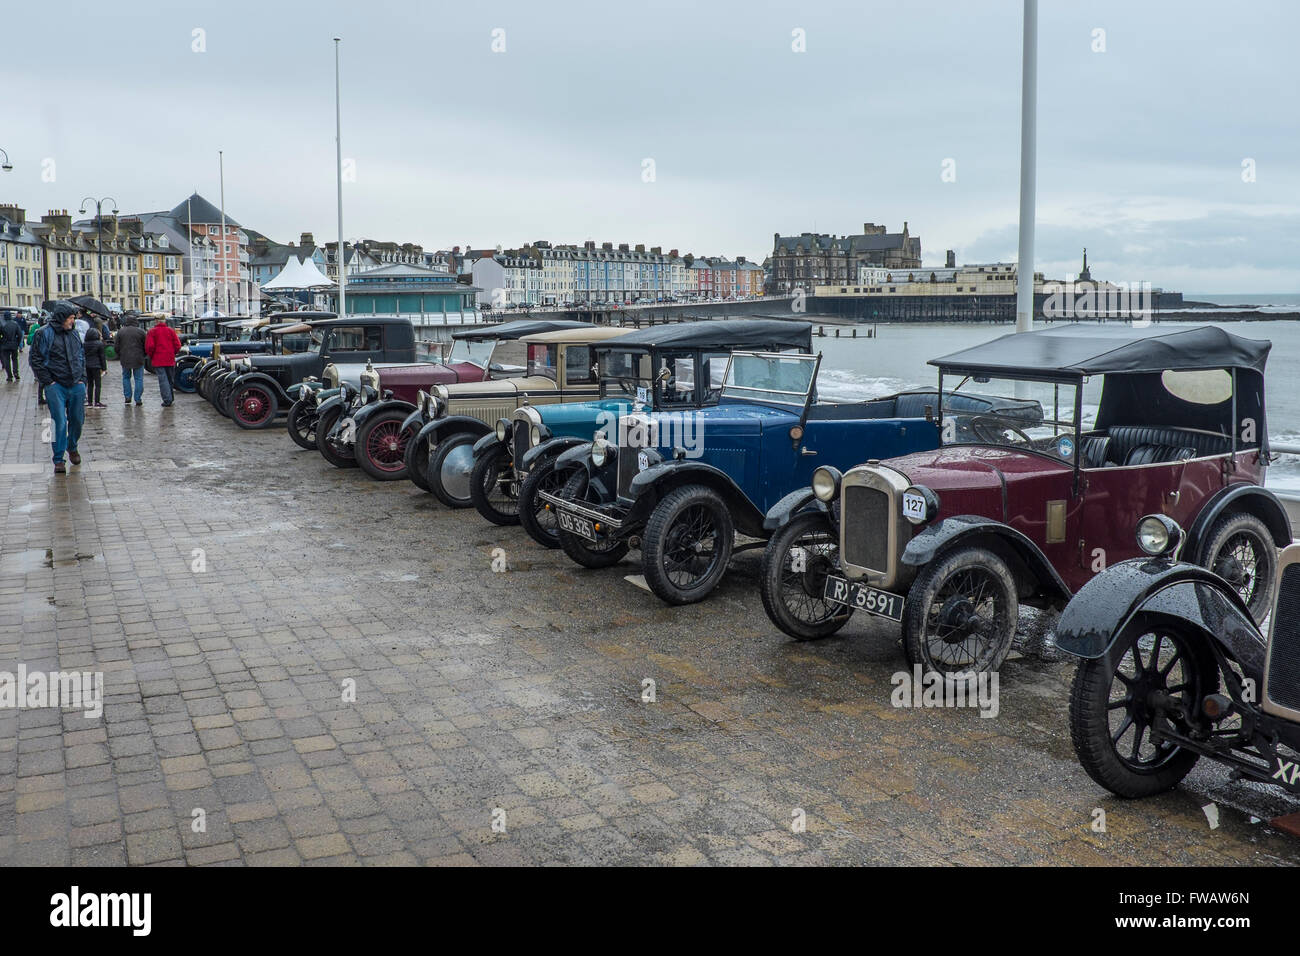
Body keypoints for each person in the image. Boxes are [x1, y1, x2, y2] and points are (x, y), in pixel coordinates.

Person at [29, 303, 86, 475]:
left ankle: (72, 446)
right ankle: (59, 458)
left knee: (77, 419)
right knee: (58, 421)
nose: (73, 321)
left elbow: (80, 355)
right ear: (62, 318)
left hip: (76, 383)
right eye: (70, 318)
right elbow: (35, 359)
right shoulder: (43, 333)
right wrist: (48, 381)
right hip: (56, 385)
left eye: (73, 318)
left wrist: (82, 378)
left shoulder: (74, 333)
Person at [144, 316, 182, 406]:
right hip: (169, 358)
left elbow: (149, 347)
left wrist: (152, 355)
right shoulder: (170, 331)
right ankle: (170, 397)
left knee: (163, 380)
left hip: (158, 359)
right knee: (169, 379)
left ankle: (167, 399)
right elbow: (177, 345)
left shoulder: (152, 332)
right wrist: (173, 353)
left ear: (156, 321)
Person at [114, 314, 147, 406]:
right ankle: (138, 398)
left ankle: (127, 397)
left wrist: (120, 354)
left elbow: (116, 346)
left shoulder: (121, 332)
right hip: (138, 358)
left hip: (125, 358)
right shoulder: (141, 332)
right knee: (139, 379)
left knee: (126, 377)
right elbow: (146, 346)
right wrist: (144, 354)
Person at [83, 323, 107, 408]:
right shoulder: (99, 344)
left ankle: (89, 402)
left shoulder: (84, 344)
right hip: (96, 366)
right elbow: (102, 357)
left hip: (87, 366)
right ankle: (97, 402)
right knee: (98, 384)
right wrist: (104, 368)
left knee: (90, 384)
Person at [1, 310, 22, 383]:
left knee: (6, 360)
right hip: (14, 344)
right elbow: (20, 334)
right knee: (15, 359)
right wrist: (18, 343)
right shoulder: (15, 324)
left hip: (5, 345)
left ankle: (9, 376)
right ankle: (16, 372)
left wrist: (1, 341)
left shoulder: (2, 324)